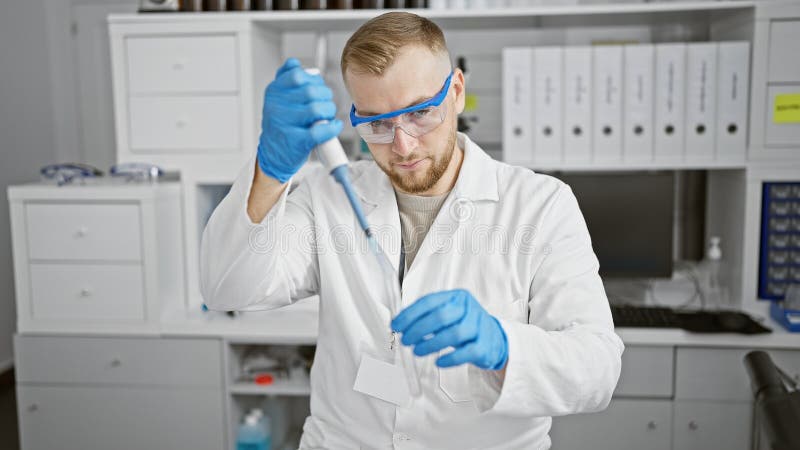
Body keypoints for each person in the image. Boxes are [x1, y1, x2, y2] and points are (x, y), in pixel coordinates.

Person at [201, 11, 623, 449]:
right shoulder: (327, 195)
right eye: (378, 124)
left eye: (421, 112)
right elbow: (226, 289)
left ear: (456, 91)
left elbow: (598, 370)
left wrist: (505, 346)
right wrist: (270, 168)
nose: (402, 146)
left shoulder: (540, 205)